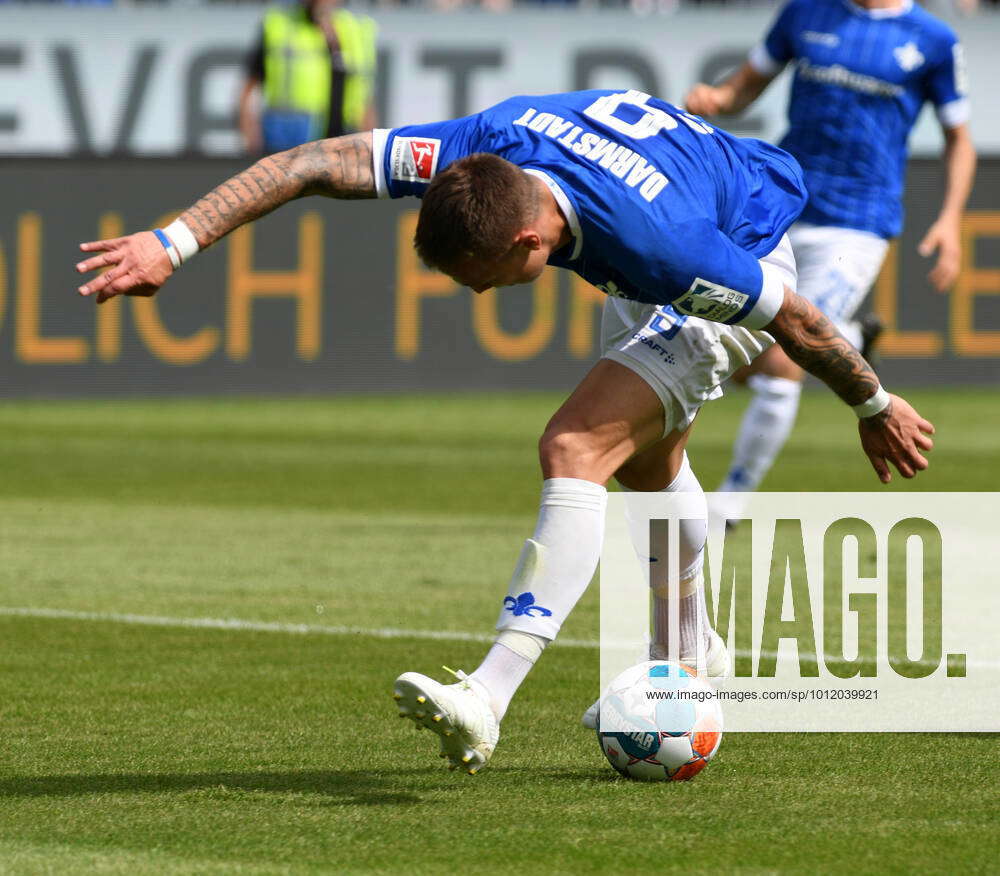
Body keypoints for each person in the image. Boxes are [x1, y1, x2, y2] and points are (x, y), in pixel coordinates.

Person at [75, 88, 934, 775]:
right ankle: (690, 654)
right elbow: (311, 162)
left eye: (480, 277)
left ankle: (488, 696)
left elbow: (801, 323)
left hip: (739, 238)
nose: (476, 292)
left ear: (528, 239)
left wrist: (874, 405)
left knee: (575, 445)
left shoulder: (670, 251)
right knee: (647, 464)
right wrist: (173, 243)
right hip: (658, 211)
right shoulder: (486, 142)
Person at [684, 0, 975, 523]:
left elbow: (959, 139)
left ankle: (730, 500)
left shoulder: (932, 39)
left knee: (782, 359)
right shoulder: (805, 12)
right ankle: (851, 337)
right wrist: (717, 98)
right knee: (715, 337)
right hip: (779, 202)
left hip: (856, 223)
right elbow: (746, 85)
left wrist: (951, 218)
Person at [239, 0, 377, 156]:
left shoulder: (355, 29)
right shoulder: (279, 25)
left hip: (343, 142)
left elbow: (365, 97)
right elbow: (248, 90)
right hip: (290, 141)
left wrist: (370, 148)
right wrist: (250, 139)